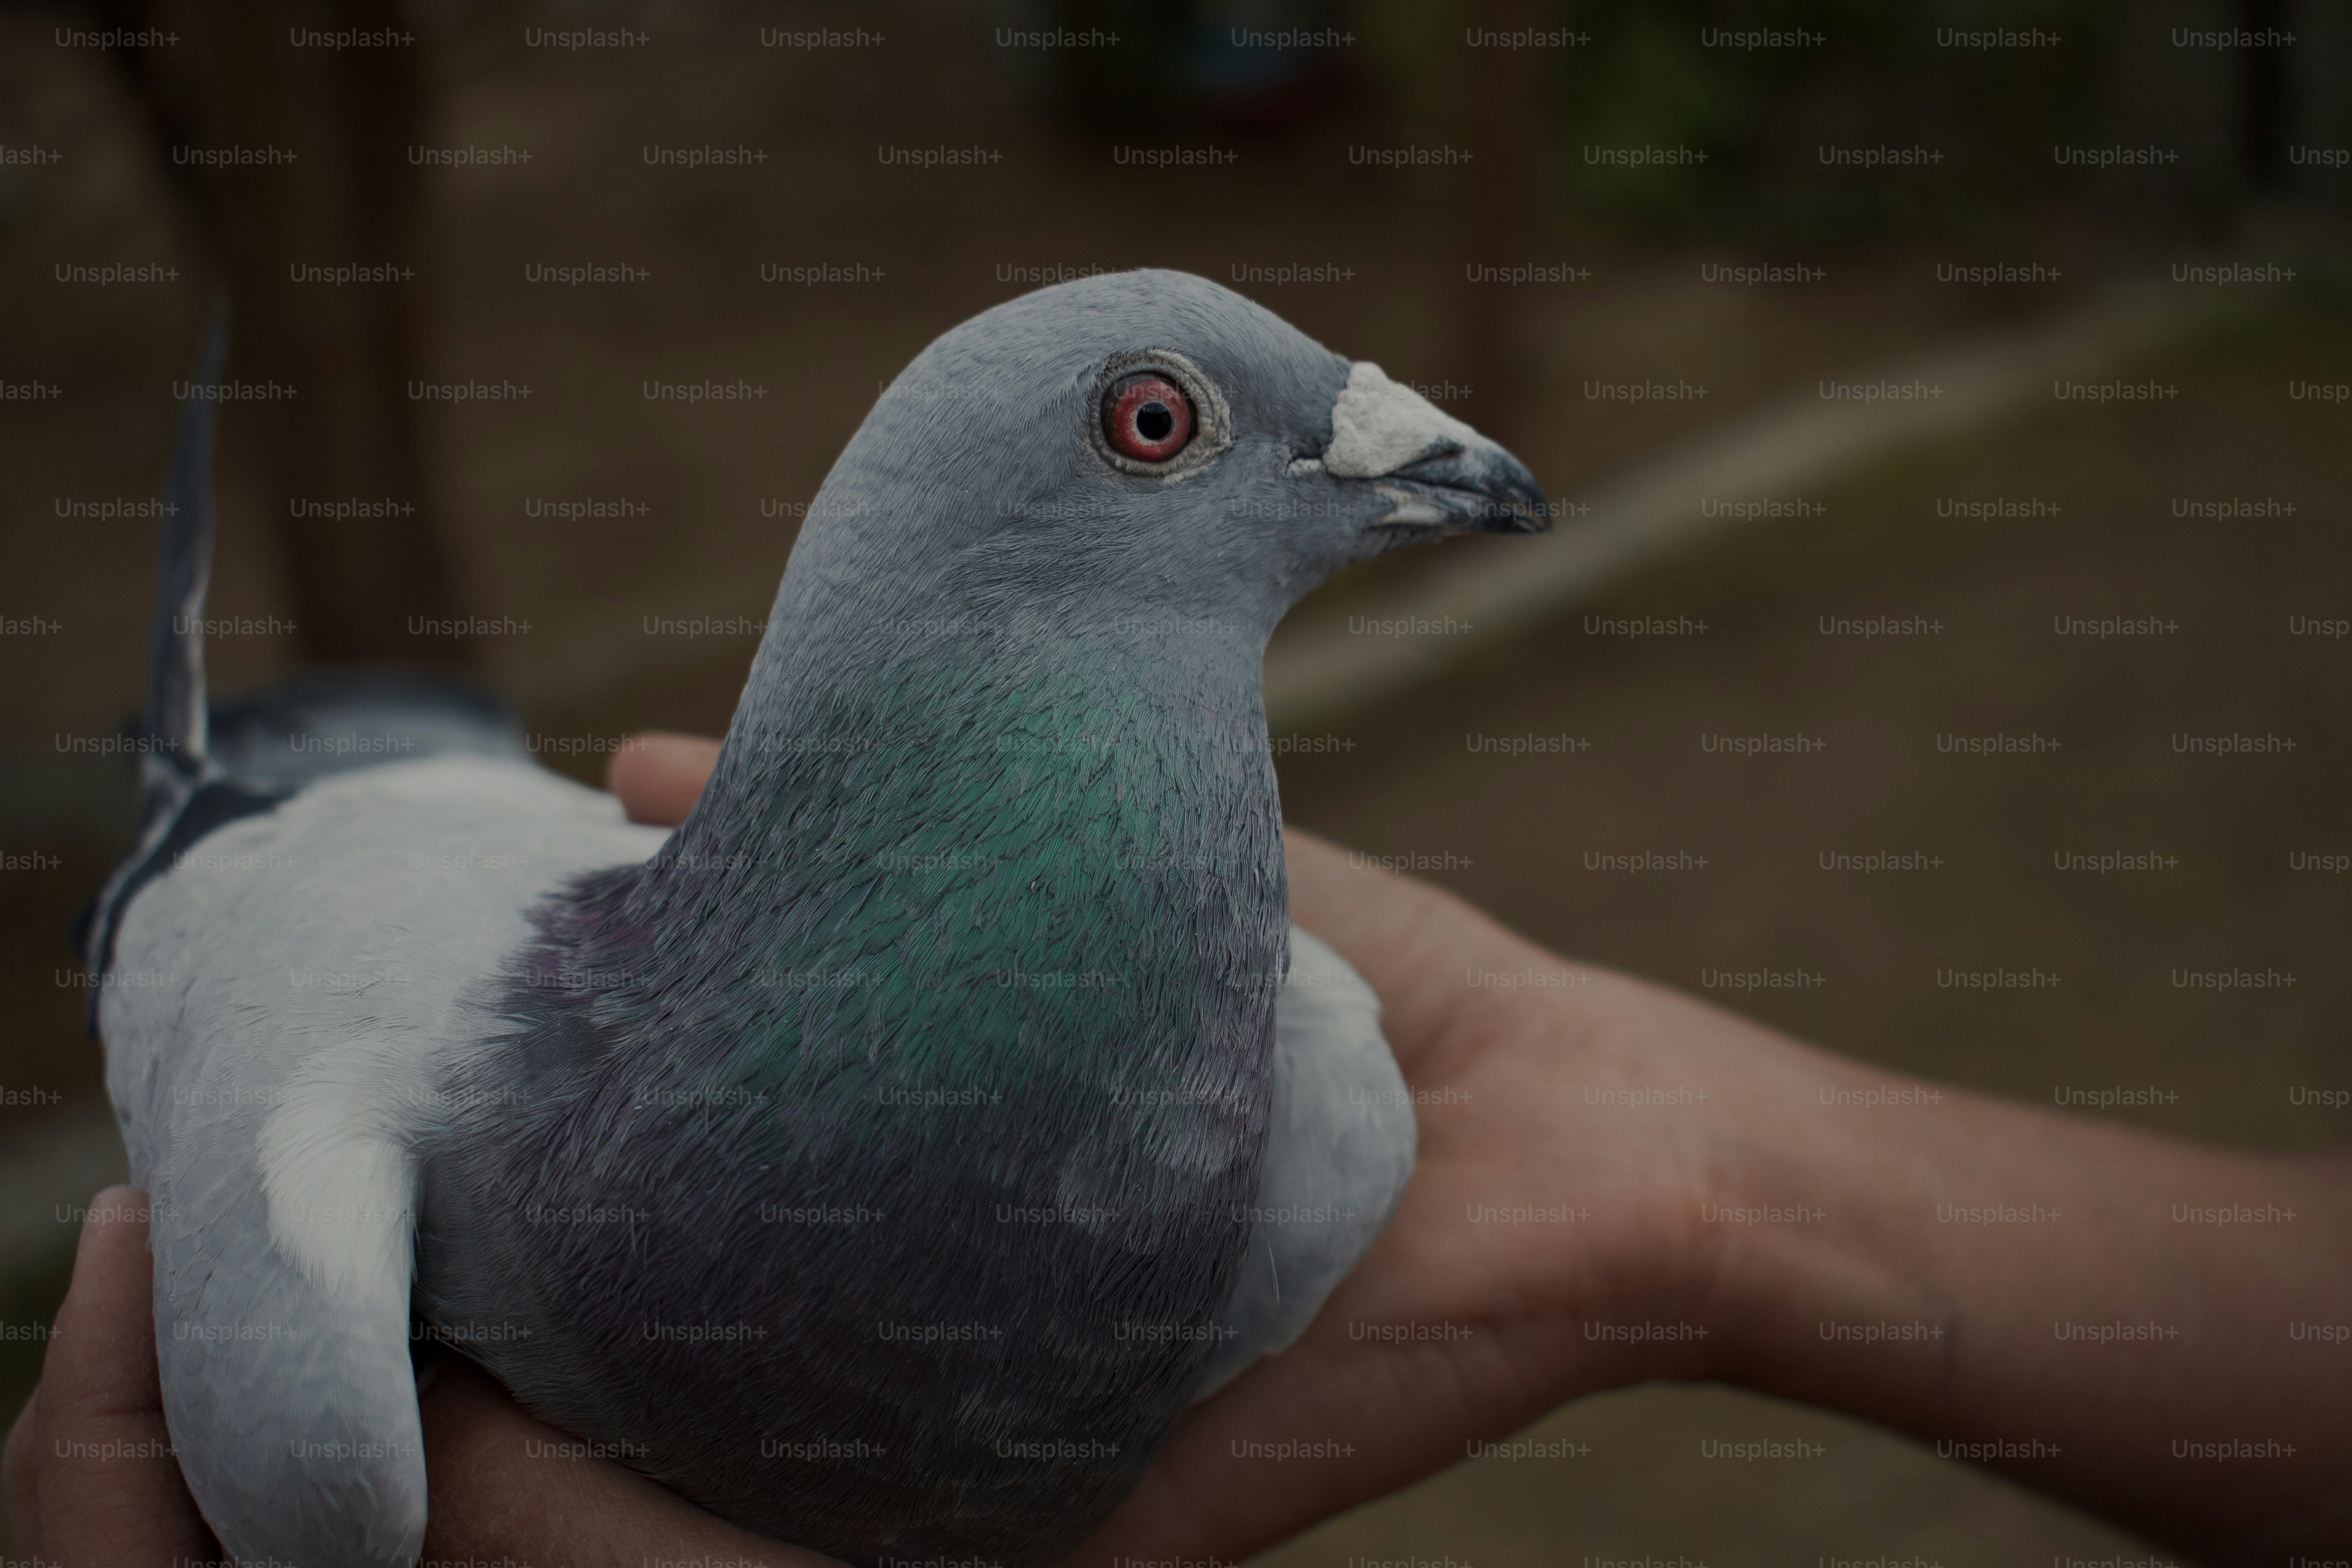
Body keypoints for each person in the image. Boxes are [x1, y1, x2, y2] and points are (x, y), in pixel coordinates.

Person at [9, 733, 2345, 1566]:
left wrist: (1708, 1172)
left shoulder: (1311, 1089)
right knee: (321, 1458)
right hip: (337, 864)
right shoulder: (346, 1142)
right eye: (1158, 421)